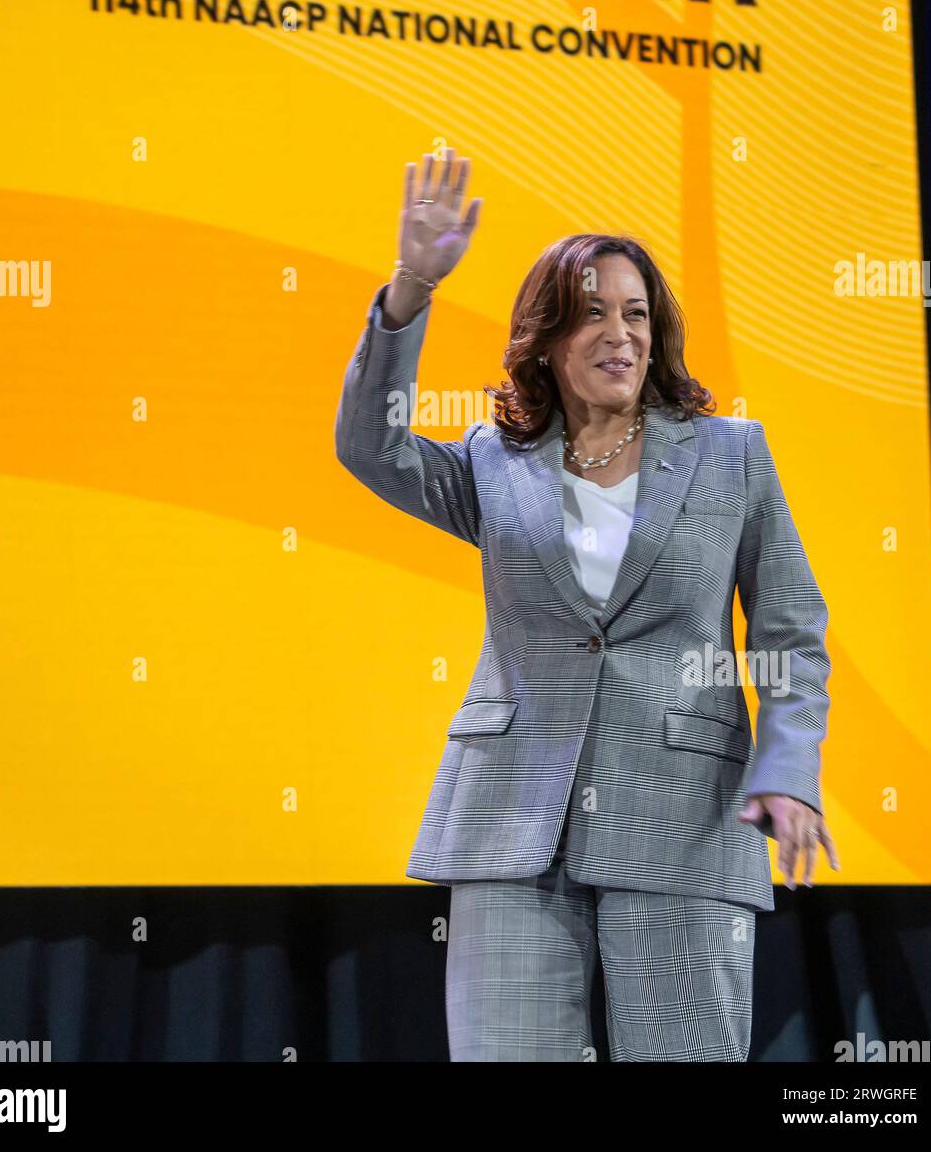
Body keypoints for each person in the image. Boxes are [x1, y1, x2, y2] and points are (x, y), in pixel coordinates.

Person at [335, 146, 839, 1061]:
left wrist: (789, 771)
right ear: (548, 337)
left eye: (637, 313)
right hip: (514, 823)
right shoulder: (494, 463)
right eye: (594, 312)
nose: (622, 332)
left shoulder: (732, 456)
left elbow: (791, 635)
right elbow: (370, 447)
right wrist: (410, 287)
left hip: (687, 816)